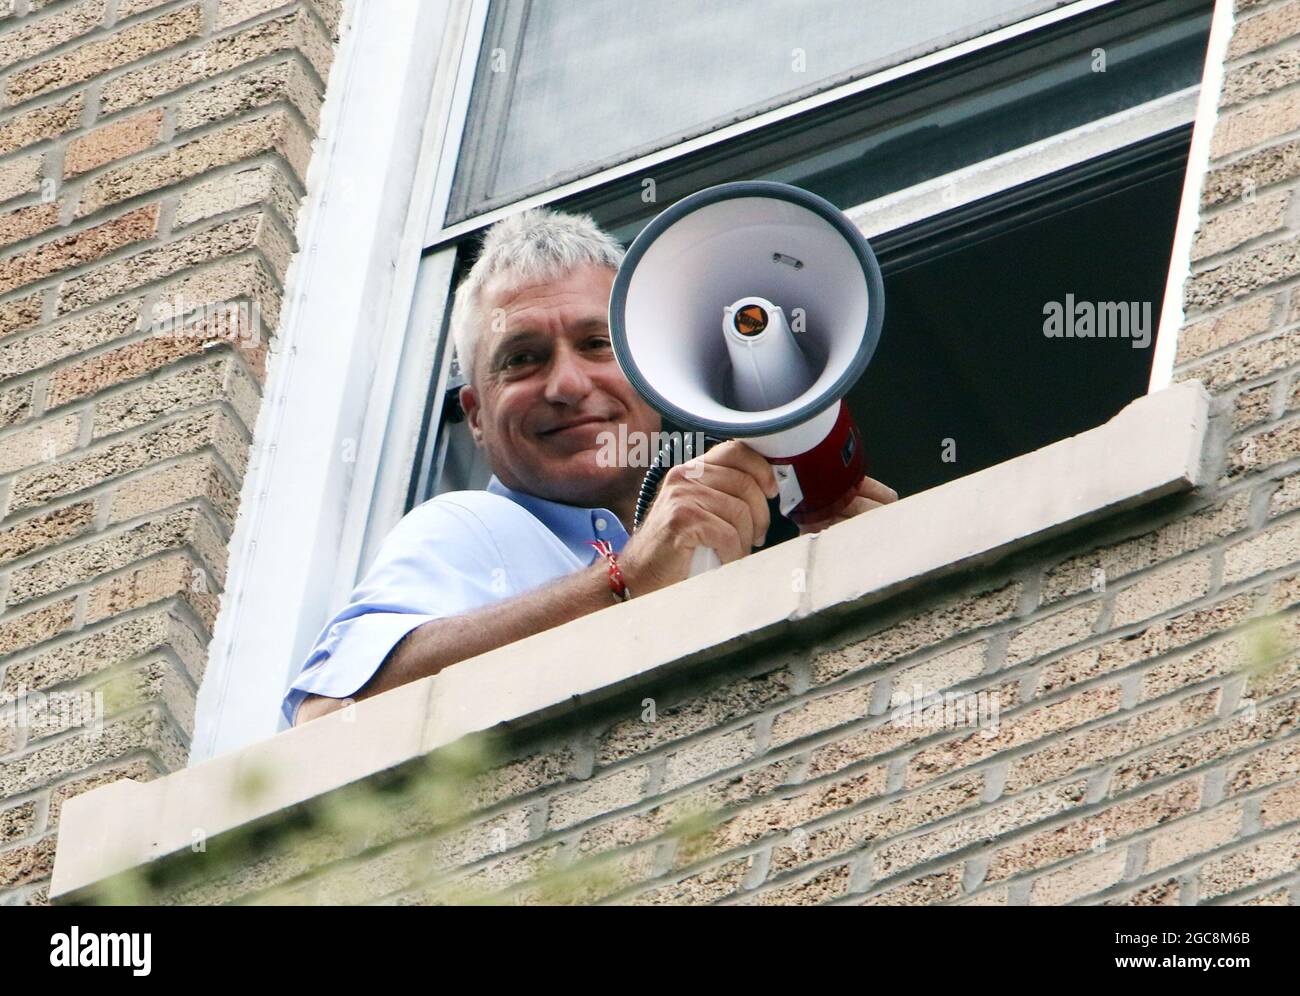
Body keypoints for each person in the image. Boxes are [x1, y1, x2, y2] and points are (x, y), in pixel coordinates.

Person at [286, 208, 898, 726]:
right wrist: (621, 582)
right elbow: (327, 718)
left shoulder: (691, 543)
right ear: (475, 416)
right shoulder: (466, 524)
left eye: (596, 344)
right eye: (522, 359)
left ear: (650, 369)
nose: (568, 384)